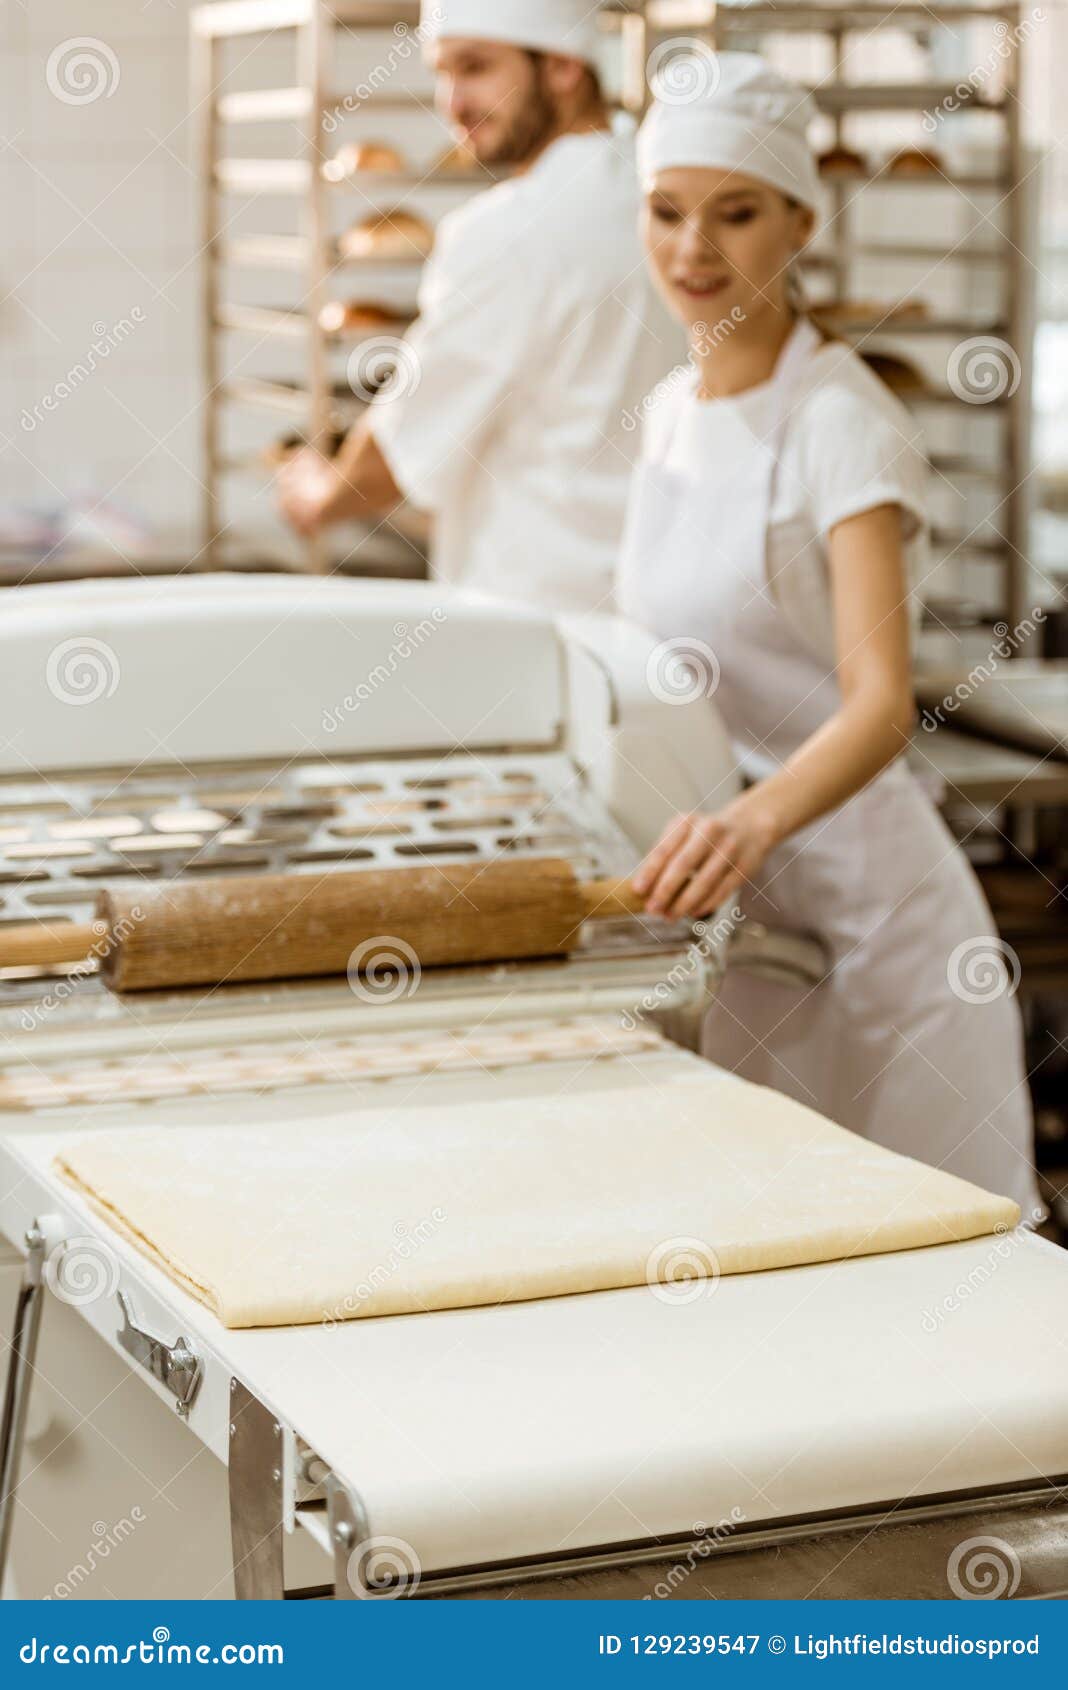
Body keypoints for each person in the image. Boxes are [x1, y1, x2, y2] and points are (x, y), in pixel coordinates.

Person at [622, 53, 1042, 1214]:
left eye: (735, 214)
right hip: (758, 928)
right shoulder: (667, 414)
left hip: (879, 930)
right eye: (665, 212)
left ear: (800, 220)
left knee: (932, 1261)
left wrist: (748, 822)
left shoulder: (841, 422)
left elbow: (879, 706)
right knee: (773, 1248)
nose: (692, 250)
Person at [278, 0, 678, 613]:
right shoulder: (669, 192)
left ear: (564, 68)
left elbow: (401, 448)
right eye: (442, 73)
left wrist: (317, 494)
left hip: (537, 609)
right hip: (661, 597)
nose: (453, 101)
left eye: (475, 68)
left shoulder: (503, 233)